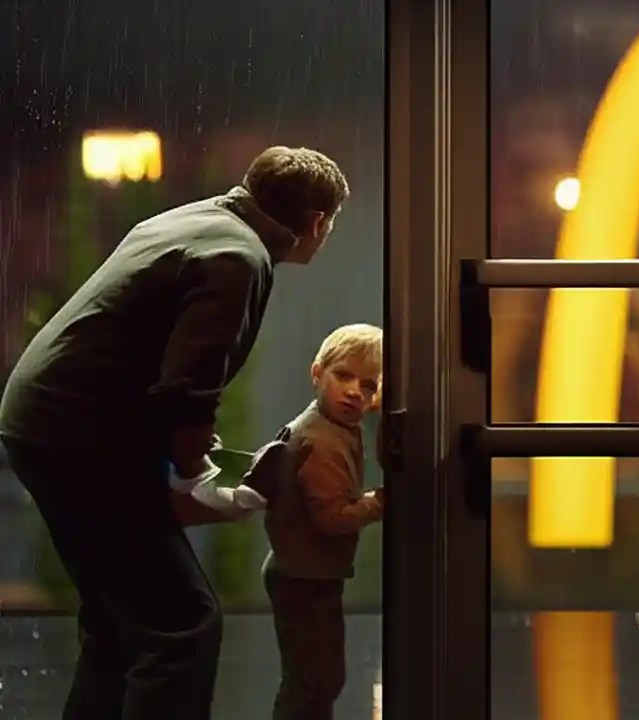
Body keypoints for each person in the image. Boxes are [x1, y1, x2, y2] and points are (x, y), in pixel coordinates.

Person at [0, 145, 349, 719]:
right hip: (80, 436)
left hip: (44, 421)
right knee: (182, 625)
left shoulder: (193, 219)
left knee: (117, 622)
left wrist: (187, 453)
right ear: (316, 223)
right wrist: (195, 478)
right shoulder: (240, 258)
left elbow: (146, 362)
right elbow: (186, 395)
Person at [262, 323, 385, 719]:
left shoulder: (333, 425)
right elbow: (332, 518)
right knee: (314, 682)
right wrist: (381, 502)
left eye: (368, 385)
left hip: (305, 570)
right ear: (317, 373)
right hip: (304, 577)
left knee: (317, 679)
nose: (355, 391)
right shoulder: (321, 440)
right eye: (344, 376)